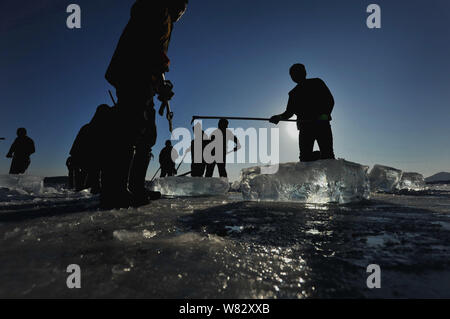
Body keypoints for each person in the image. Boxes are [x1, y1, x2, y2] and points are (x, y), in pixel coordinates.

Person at [102, 0, 188, 208]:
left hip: (144, 78)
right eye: (183, 8)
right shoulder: (157, 9)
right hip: (133, 74)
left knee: (147, 133)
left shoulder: (166, 19)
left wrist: (160, 85)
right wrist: (161, 81)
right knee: (131, 128)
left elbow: (155, 55)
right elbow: (149, 47)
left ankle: (135, 186)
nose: (182, 14)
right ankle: (115, 190)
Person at [270, 64, 335, 162]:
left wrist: (325, 115)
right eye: (292, 75)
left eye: (297, 73)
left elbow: (329, 100)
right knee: (305, 158)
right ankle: (319, 155)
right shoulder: (293, 93)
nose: (294, 76)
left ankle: (322, 156)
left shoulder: (317, 82)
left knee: (328, 154)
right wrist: (278, 117)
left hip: (321, 125)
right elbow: (289, 113)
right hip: (305, 128)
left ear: (304, 72)